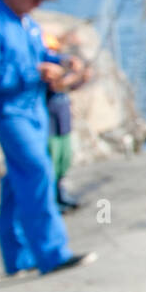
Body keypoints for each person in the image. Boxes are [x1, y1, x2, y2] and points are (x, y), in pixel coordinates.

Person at [0, 0, 96, 276]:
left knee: (16, 180)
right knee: (37, 171)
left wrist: (61, 62)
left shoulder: (26, 24)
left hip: (34, 110)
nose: (38, 4)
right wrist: (34, 73)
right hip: (7, 112)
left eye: (42, 0)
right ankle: (53, 255)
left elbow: (41, 52)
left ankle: (17, 258)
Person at [41, 31, 90, 211]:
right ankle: (51, 198)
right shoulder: (43, 73)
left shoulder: (58, 64)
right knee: (52, 158)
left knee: (64, 157)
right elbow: (56, 85)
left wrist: (81, 78)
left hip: (64, 120)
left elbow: (67, 86)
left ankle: (60, 192)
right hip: (49, 122)